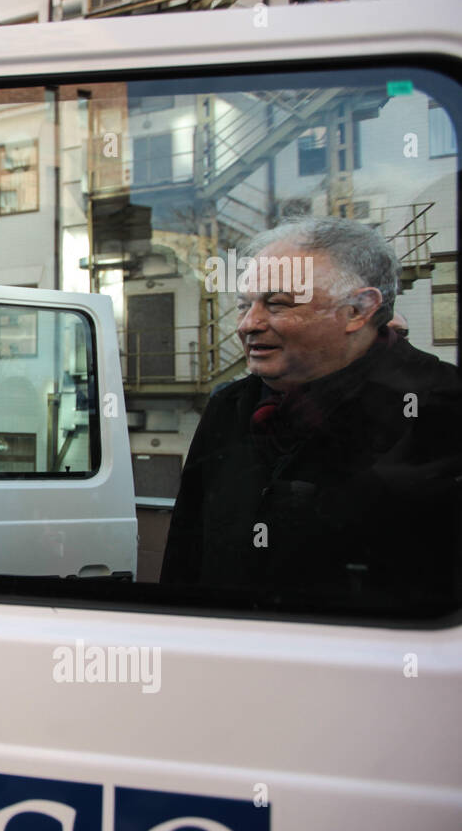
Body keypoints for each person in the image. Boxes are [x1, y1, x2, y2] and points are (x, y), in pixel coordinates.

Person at [160, 216, 462, 604]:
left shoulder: (443, 409)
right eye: (243, 305)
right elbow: (186, 554)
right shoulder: (227, 408)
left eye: (278, 304)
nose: (248, 325)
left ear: (358, 310)